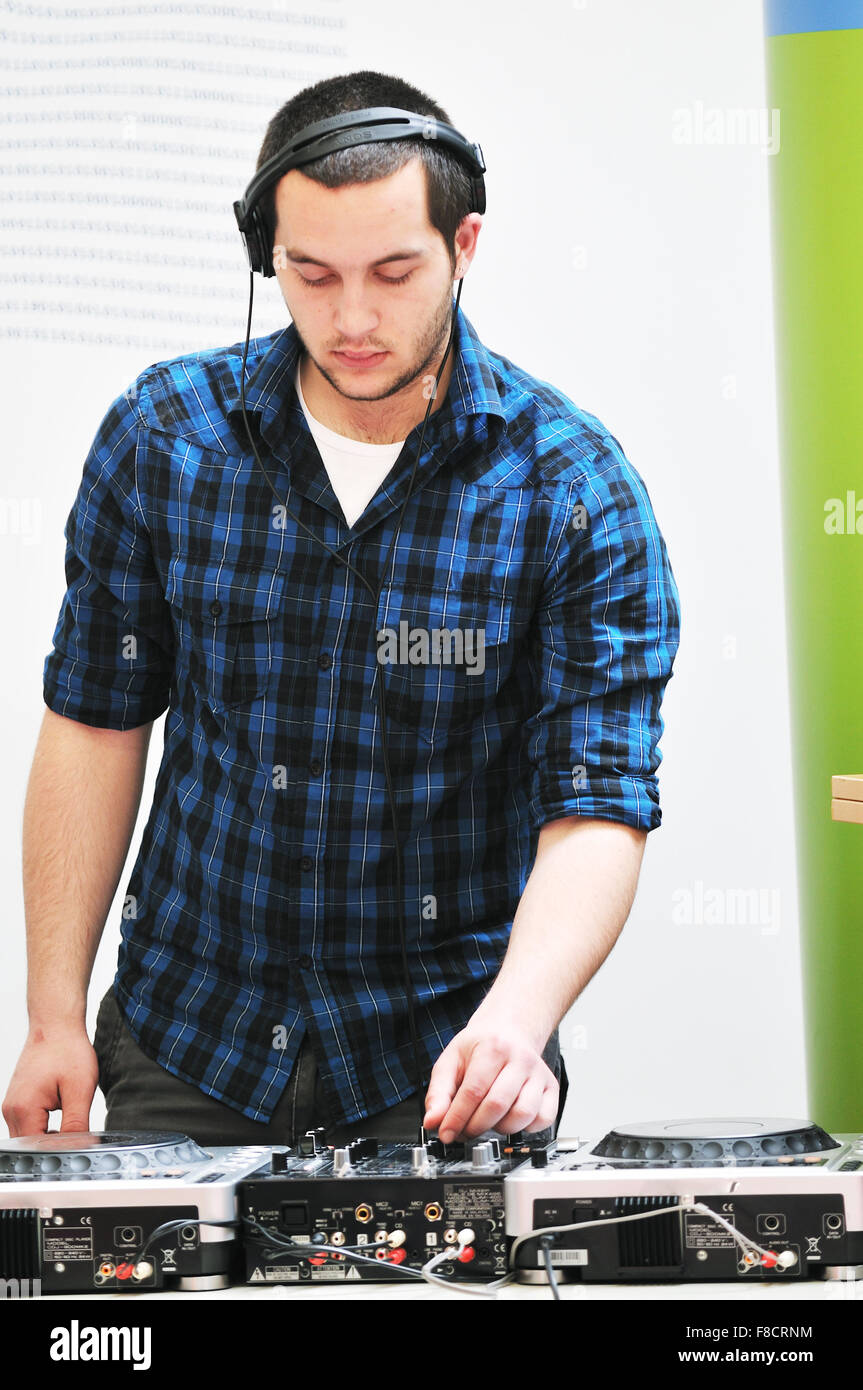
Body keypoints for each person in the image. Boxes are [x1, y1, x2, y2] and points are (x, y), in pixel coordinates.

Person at [3, 70, 680, 1150]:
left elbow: (595, 802)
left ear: (463, 245)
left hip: (448, 1054)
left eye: (393, 271)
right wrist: (50, 1014)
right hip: (188, 1032)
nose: (352, 318)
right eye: (309, 274)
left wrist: (517, 1022)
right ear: (260, 253)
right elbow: (94, 721)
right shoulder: (162, 438)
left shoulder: (572, 490)